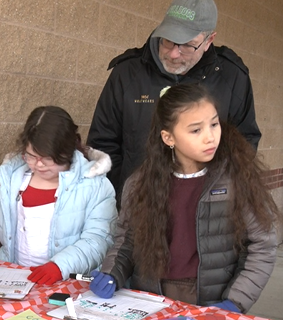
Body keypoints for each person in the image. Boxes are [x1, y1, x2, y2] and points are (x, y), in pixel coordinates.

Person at [89, 84, 279, 313]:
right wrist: (112, 272)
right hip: (149, 301)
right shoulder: (140, 184)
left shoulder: (236, 178)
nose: (210, 137)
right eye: (196, 130)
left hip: (211, 302)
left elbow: (262, 246)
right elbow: (127, 241)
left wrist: (235, 301)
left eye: (214, 124)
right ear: (169, 138)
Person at [87, 0, 261, 199]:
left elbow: (244, 144)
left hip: (205, 210)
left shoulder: (232, 77)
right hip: (138, 206)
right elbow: (102, 143)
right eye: (168, 40)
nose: (173, 53)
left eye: (187, 45)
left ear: (208, 41)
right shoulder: (127, 72)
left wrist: (218, 196)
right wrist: (122, 196)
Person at [0, 106, 117, 285]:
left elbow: (98, 240)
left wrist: (60, 267)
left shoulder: (94, 183)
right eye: (32, 156)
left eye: (47, 158)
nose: (39, 165)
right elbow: (8, 226)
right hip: (15, 278)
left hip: (68, 281)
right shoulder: (15, 176)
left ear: (66, 151)